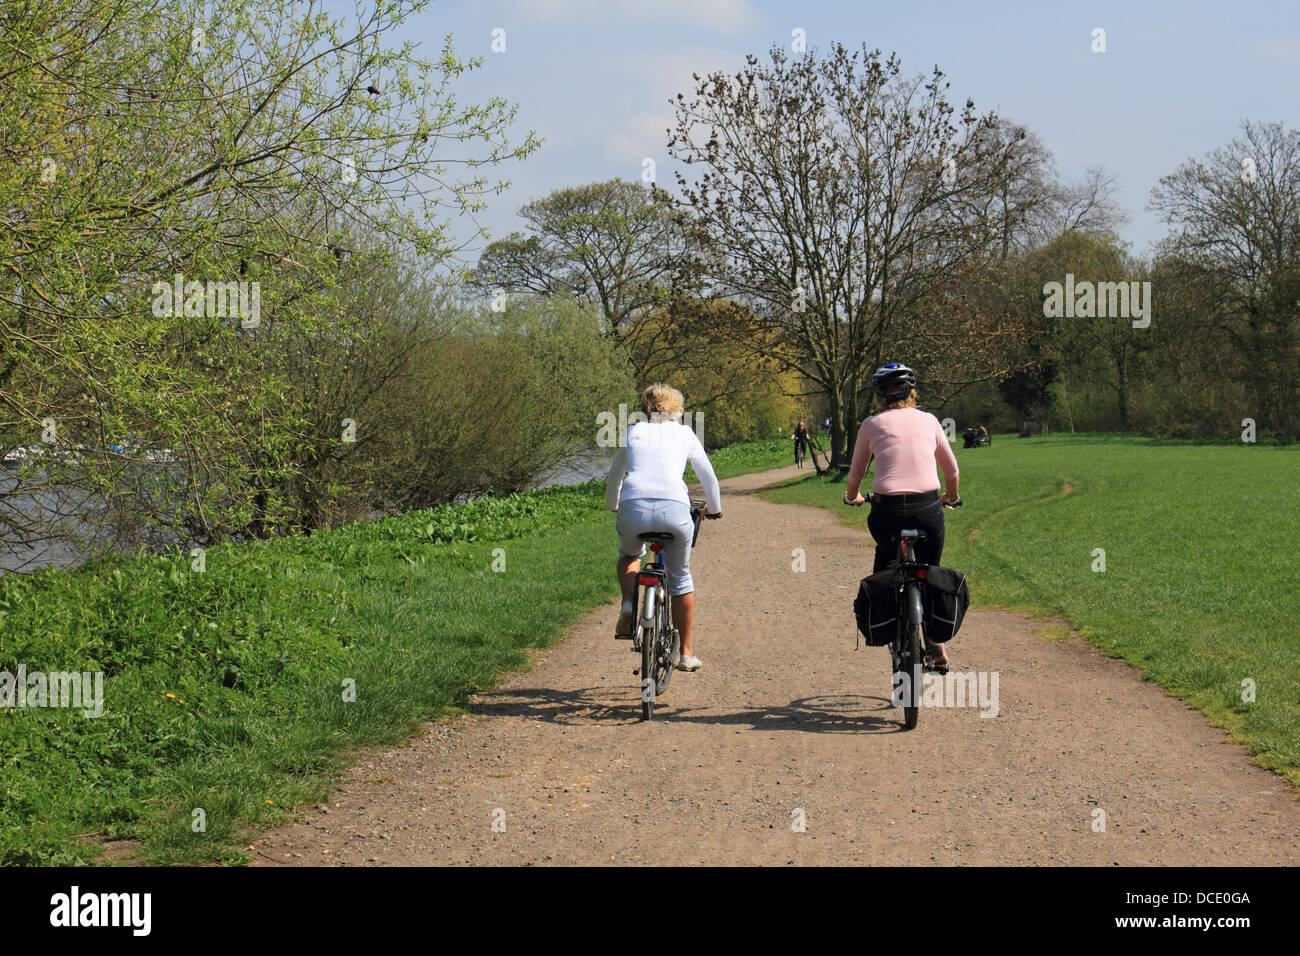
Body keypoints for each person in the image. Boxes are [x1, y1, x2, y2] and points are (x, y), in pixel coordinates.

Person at [843, 363, 960, 666]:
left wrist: (852, 496)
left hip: (887, 512)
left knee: (886, 566)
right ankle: (935, 644)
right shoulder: (930, 420)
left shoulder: (871, 424)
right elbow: (952, 471)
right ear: (912, 393)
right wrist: (952, 496)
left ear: (879, 397)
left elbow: (856, 475)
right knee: (931, 570)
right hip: (927, 509)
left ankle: (891, 627)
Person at [606, 384, 722, 671]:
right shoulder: (684, 433)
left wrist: (613, 505)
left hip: (634, 508)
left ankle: (629, 604)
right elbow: (709, 477)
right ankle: (686, 652)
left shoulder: (633, 432)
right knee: (680, 577)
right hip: (674, 509)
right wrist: (715, 510)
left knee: (631, 556)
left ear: (646, 408)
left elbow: (614, 477)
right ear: (677, 410)